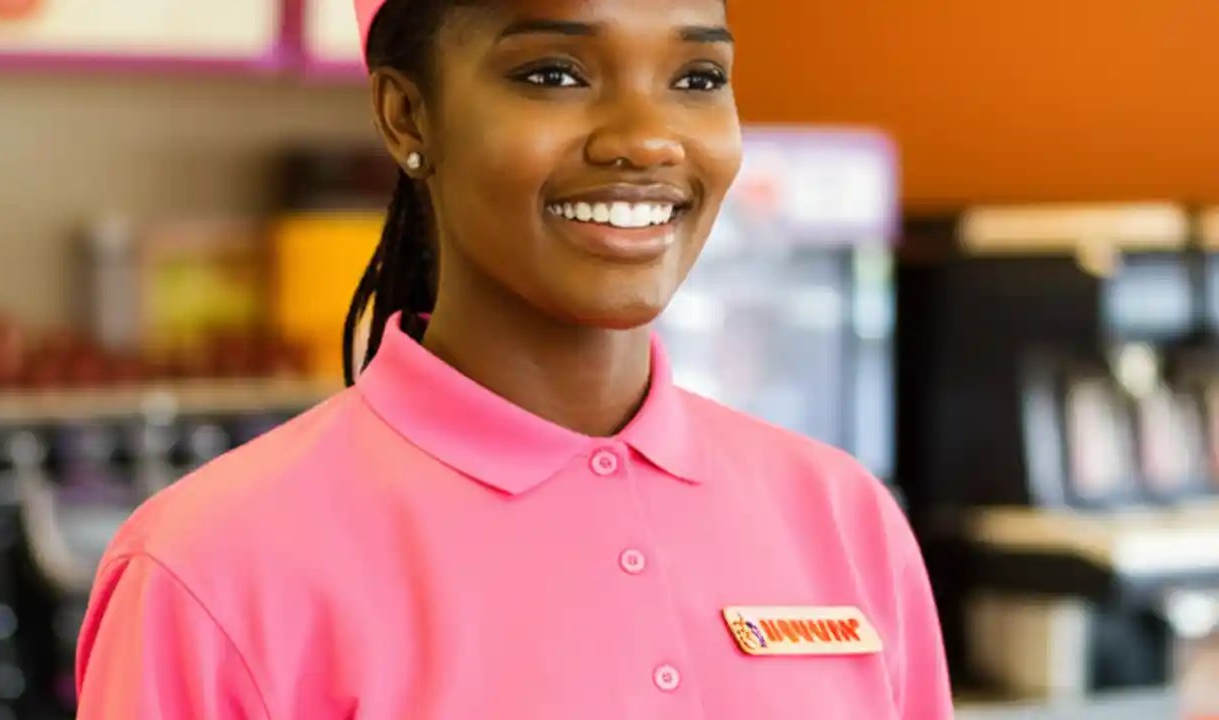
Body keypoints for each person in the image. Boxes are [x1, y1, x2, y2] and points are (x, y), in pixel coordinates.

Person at [75, 0, 954, 717]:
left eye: (697, 78)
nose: (648, 140)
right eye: (554, 74)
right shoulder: (210, 567)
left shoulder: (843, 520)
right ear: (406, 113)